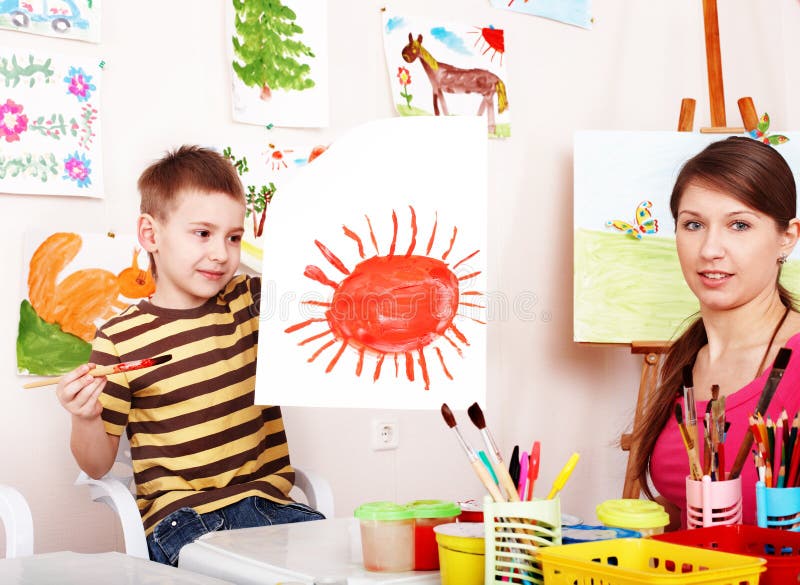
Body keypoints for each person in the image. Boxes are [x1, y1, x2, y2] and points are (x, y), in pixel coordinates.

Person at [55, 145, 324, 566]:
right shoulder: (120, 338)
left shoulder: (251, 301)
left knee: (339, 566)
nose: (222, 252)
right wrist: (84, 417)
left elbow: (326, 296)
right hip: (184, 522)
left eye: (233, 237)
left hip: (274, 507)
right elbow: (95, 464)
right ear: (150, 235)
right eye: (202, 233)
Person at [631, 136, 800, 529]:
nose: (709, 249)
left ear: (787, 237)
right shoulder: (685, 360)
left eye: (739, 225)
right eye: (693, 225)